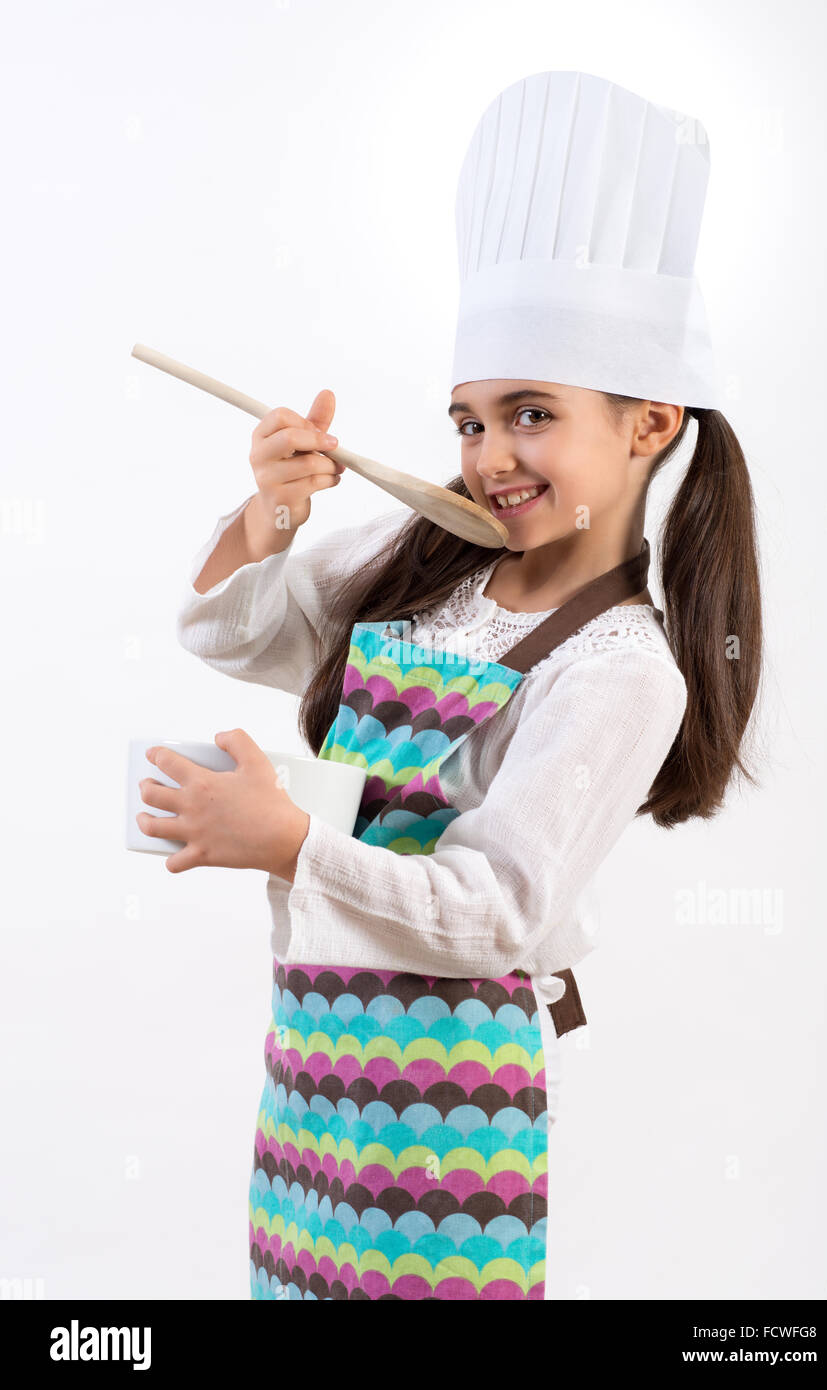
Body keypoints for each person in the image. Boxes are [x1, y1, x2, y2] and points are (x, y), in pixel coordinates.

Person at [140, 71, 764, 1300]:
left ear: (648, 425)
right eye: (469, 422)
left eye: (530, 415)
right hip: (317, 1071)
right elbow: (225, 632)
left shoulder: (621, 669)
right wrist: (274, 507)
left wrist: (285, 845)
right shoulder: (425, 566)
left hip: (448, 1114)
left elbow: (495, 914)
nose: (488, 458)